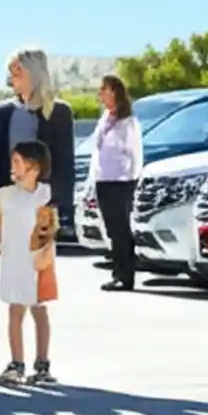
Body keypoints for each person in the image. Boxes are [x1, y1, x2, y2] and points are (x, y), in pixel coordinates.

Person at [0, 48, 76, 241]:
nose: (12, 77)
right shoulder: (1, 113)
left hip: (42, 204)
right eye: (11, 71)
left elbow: (65, 166)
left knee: (41, 265)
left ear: (34, 72)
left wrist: (60, 208)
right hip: (9, 203)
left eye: (18, 70)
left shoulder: (59, 113)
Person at [0, 140, 57, 385]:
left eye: (18, 162)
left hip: (35, 262)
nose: (13, 166)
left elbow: (48, 227)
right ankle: (16, 363)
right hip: (12, 261)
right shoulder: (5, 195)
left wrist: (45, 254)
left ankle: (42, 364)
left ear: (34, 167)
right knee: (15, 310)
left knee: (39, 310)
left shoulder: (44, 195)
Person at [90, 75, 143, 292]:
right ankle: (117, 271)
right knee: (111, 229)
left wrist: (132, 178)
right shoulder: (105, 118)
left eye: (105, 89)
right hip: (103, 179)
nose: (101, 94)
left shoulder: (128, 122)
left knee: (121, 229)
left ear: (115, 92)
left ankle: (126, 275)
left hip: (121, 181)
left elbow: (135, 152)